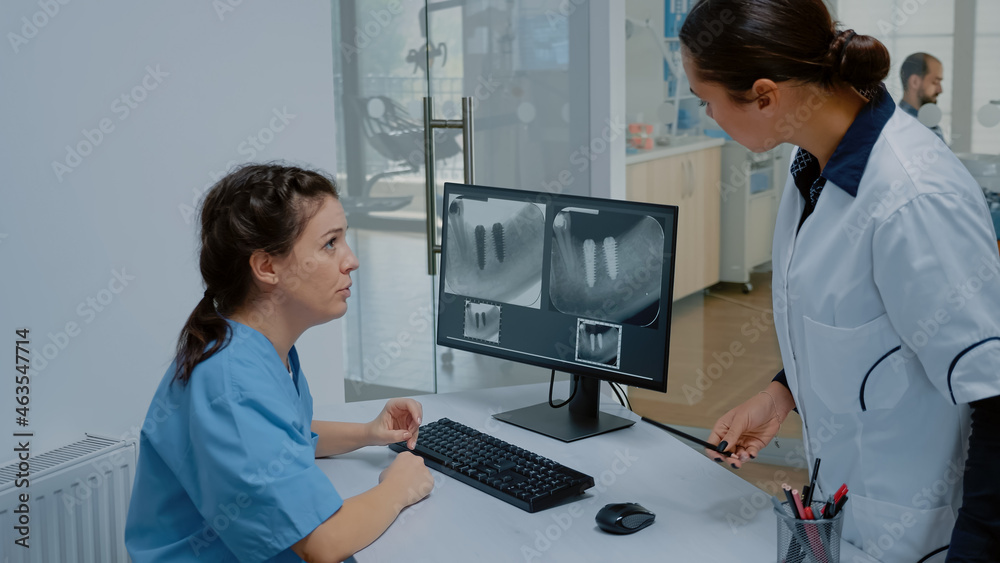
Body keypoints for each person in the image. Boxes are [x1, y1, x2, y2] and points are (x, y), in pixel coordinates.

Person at [679, 1, 1000, 561]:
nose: (708, 115)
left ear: (763, 95)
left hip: (919, 534)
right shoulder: (812, 163)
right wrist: (782, 392)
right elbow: (855, 319)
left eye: (706, 101)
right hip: (845, 508)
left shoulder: (912, 199)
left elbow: (995, 393)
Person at [124, 164, 434, 563]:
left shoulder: (253, 348)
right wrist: (399, 487)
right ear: (267, 267)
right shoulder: (230, 383)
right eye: (330, 244)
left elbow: (281, 437)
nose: (351, 260)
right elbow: (323, 542)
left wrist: (367, 433)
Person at [900, 52, 946, 143]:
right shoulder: (901, 128)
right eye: (935, 82)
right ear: (915, 82)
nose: (940, 90)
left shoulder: (928, 125)